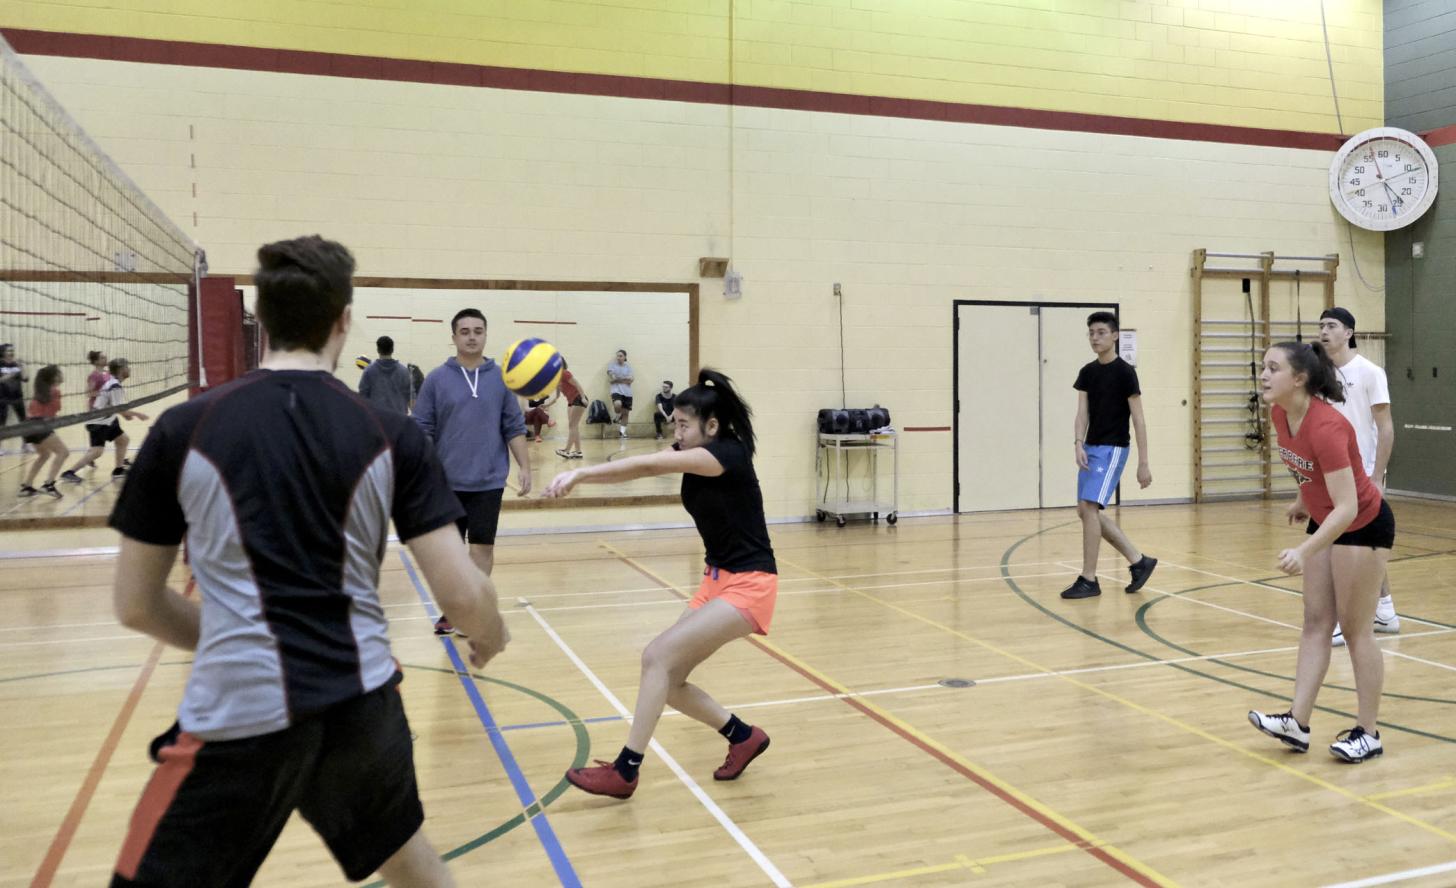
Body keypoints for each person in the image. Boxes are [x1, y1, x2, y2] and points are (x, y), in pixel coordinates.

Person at [105, 235, 509, 887]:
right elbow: (462, 595)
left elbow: (134, 604)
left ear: (260, 319)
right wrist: (492, 633)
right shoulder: (392, 435)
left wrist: (248, 638)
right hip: (361, 707)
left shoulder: (185, 429)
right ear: (344, 320)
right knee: (416, 871)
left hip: (238, 715)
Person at [545, 368, 775, 799]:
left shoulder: (725, 454)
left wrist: (579, 474)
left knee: (655, 657)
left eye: (684, 424)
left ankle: (626, 770)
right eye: (675, 422)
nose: (676, 429)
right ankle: (743, 736)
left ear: (711, 426)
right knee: (668, 681)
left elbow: (649, 462)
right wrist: (587, 476)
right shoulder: (695, 448)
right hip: (716, 582)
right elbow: (637, 469)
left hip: (750, 585)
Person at [1247, 341, 1394, 764]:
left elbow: (1348, 505)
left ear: (1300, 379)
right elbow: (1306, 467)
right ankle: (1297, 721)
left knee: (1355, 631)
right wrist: (1301, 498)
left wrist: (1304, 550)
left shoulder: (1328, 426)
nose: (1263, 374)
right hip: (1328, 517)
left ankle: (1369, 732)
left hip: (1362, 524)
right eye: (1263, 366)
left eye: (1272, 368)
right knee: (1315, 623)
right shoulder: (1280, 413)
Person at [414, 308, 530, 636]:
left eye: (478, 330)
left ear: (485, 335)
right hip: (446, 482)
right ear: (454, 337)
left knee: (481, 549)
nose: (471, 336)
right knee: (450, 557)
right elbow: (422, 427)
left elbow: (513, 426)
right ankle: (452, 611)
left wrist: (525, 467)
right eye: (464, 331)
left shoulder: (501, 378)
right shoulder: (437, 378)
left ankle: (473, 613)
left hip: (488, 481)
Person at [1061, 311, 1156, 599]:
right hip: (1091, 447)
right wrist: (1078, 443)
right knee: (1084, 510)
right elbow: (1082, 413)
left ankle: (1089, 579)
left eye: (1101, 332)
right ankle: (1139, 561)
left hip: (1114, 449)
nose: (1095, 338)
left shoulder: (1126, 372)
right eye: (1091, 333)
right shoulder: (1087, 372)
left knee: (1089, 508)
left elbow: (1138, 419)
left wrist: (1143, 462)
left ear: (1115, 335)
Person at [1318, 308, 1399, 645]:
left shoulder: (1370, 372)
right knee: (1363, 546)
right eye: (1321, 326)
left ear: (1348, 332)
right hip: (1329, 471)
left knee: (1344, 544)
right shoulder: (1319, 373)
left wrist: (1377, 475)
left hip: (1361, 472)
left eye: (1331, 326)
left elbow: (1385, 427)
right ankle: (1385, 610)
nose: (1324, 331)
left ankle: (1340, 618)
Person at [62, 358, 146, 483]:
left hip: (107, 420)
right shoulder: (115, 386)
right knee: (97, 451)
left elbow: (118, 408)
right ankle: (69, 472)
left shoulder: (114, 383)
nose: (129, 369)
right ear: (121, 370)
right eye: (127, 367)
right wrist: (137, 414)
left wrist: (127, 414)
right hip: (98, 422)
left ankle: (118, 470)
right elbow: (120, 409)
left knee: (123, 440)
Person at [18, 365, 66, 499]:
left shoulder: (42, 390)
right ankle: (49, 485)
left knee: (44, 454)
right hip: (39, 426)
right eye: (59, 373)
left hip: (27, 428)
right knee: (63, 452)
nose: (61, 374)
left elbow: (45, 412)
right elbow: (52, 414)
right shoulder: (55, 391)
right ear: (54, 377)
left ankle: (27, 486)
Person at [358, 335, 413, 414]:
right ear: (392, 350)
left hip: (377, 421)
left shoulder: (369, 371)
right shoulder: (404, 371)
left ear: (378, 350)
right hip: (399, 420)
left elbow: (362, 398)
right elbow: (411, 399)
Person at [553, 359, 588, 460]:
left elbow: (577, 384)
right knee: (574, 426)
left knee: (572, 425)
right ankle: (578, 452)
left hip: (578, 399)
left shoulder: (564, 373)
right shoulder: (556, 378)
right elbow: (557, 396)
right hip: (571, 402)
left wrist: (583, 397)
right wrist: (546, 405)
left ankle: (567, 450)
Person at [607, 348, 633, 438]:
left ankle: (622, 433)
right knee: (617, 404)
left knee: (626, 413)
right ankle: (618, 416)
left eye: (620, 356)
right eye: (617, 356)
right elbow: (613, 378)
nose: (618, 357)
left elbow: (631, 380)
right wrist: (623, 379)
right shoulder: (612, 366)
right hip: (616, 390)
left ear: (625, 357)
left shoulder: (628, 367)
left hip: (628, 392)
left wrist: (618, 380)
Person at [0, 343, 26, 428]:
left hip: (17, 397)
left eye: (13, 350)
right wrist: (13, 373)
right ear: (3, 352)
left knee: (24, 422)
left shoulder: (16, 364)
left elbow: (25, 379)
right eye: (9, 351)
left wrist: (21, 367)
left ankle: (26, 441)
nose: (12, 352)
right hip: (3, 398)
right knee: (2, 424)